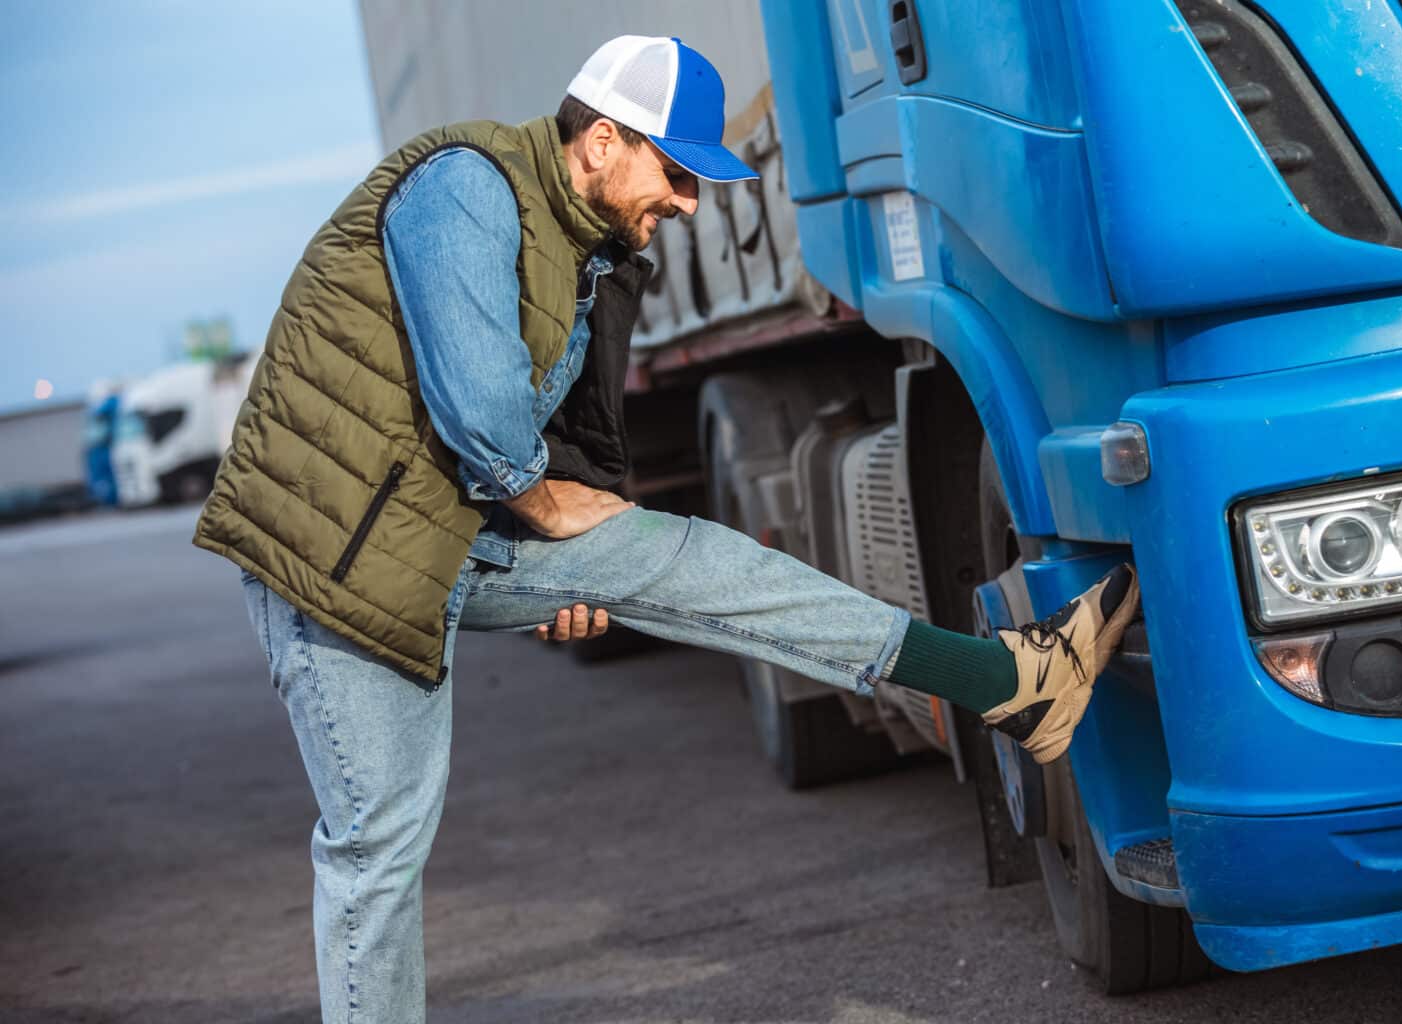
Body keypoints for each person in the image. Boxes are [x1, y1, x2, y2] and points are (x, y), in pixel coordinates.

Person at [193, 35, 1138, 1022]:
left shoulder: (586, 253)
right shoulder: (463, 187)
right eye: (677, 172)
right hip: (334, 559)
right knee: (377, 843)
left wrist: (584, 565)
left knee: (697, 559)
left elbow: (568, 445)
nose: (690, 203)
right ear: (601, 140)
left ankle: (1012, 683)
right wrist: (547, 509)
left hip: (449, 531)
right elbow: (480, 411)